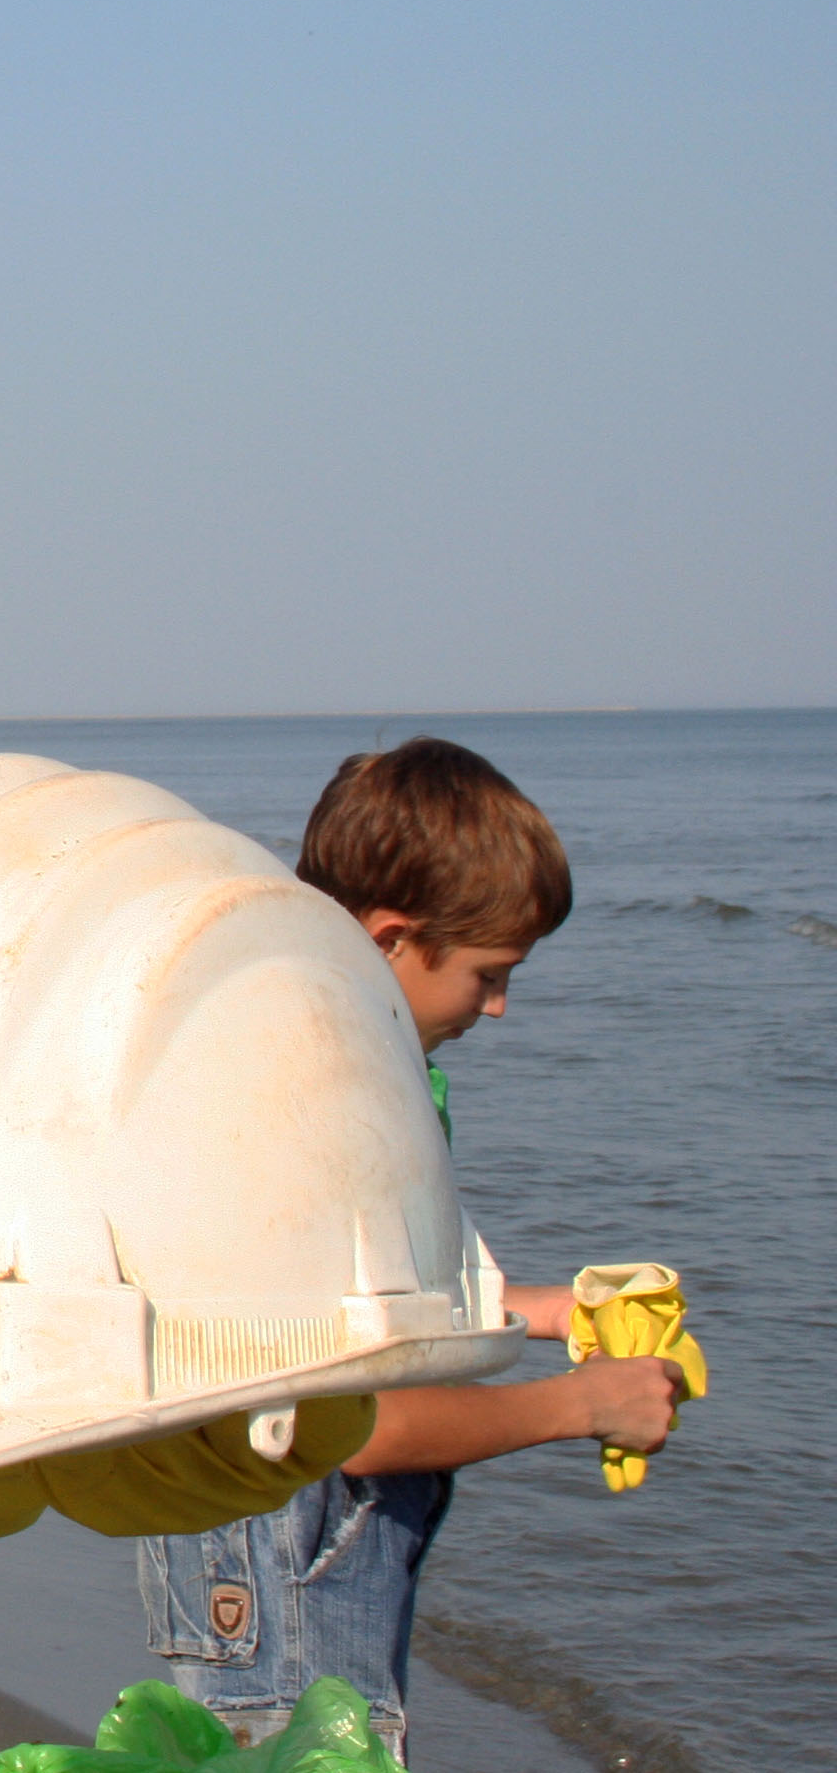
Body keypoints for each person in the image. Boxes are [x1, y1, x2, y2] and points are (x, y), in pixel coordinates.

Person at [136, 737, 692, 1759]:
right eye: (488, 973)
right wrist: (583, 1404)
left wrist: (548, 1310)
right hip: (288, 1562)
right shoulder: (330, 1109)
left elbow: (374, 1302)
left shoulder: (297, 1049)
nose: (498, 1005)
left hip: (247, 1550)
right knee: (321, 1742)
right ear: (393, 937)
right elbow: (356, 1421)